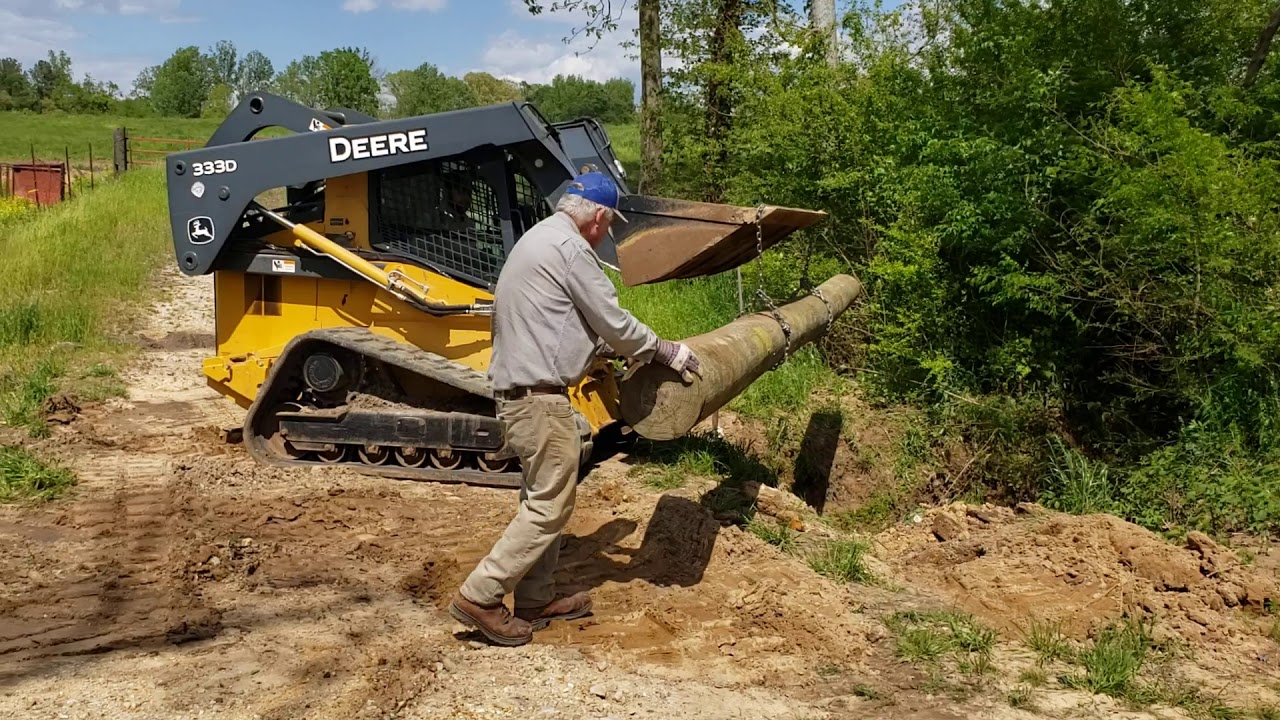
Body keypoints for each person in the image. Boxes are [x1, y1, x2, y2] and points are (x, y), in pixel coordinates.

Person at [448, 171, 702, 647]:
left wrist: (599, 350)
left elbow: (557, 321)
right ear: (600, 217)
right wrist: (662, 350)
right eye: (608, 226)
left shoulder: (539, 240)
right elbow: (612, 319)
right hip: (538, 400)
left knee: (544, 497)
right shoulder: (571, 251)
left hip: (523, 395)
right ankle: (481, 595)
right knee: (549, 505)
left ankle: (536, 599)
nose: (606, 234)